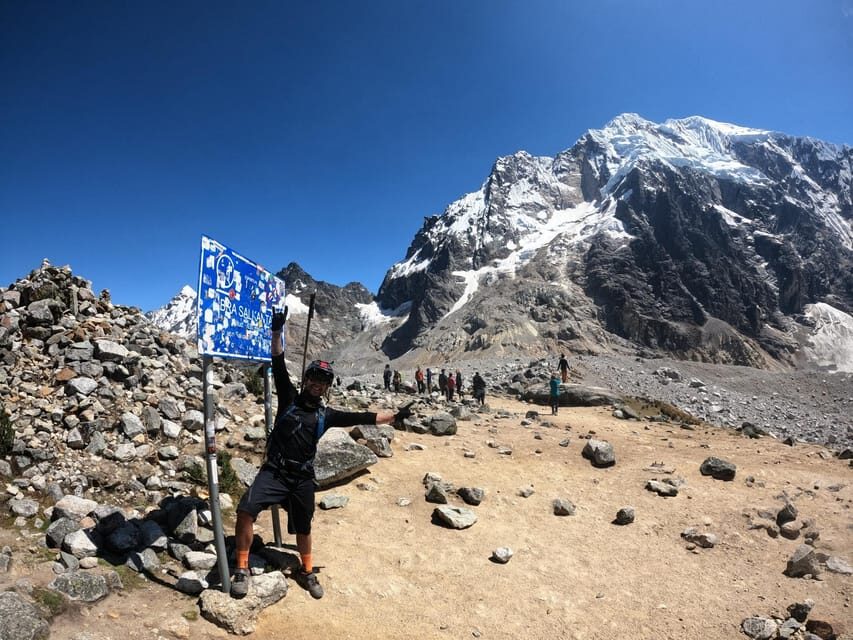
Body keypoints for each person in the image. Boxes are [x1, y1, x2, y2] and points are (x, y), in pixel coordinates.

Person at [231, 310, 408, 600]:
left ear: (327, 387)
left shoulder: (328, 414)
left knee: (304, 526)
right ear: (307, 380)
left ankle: (307, 570)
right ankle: (241, 568)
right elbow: (277, 360)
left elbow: (362, 416)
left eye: (323, 382)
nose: (317, 384)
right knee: (245, 510)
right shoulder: (289, 397)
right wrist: (277, 331)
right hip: (274, 471)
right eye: (314, 378)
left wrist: (395, 415)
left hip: (302, 477)